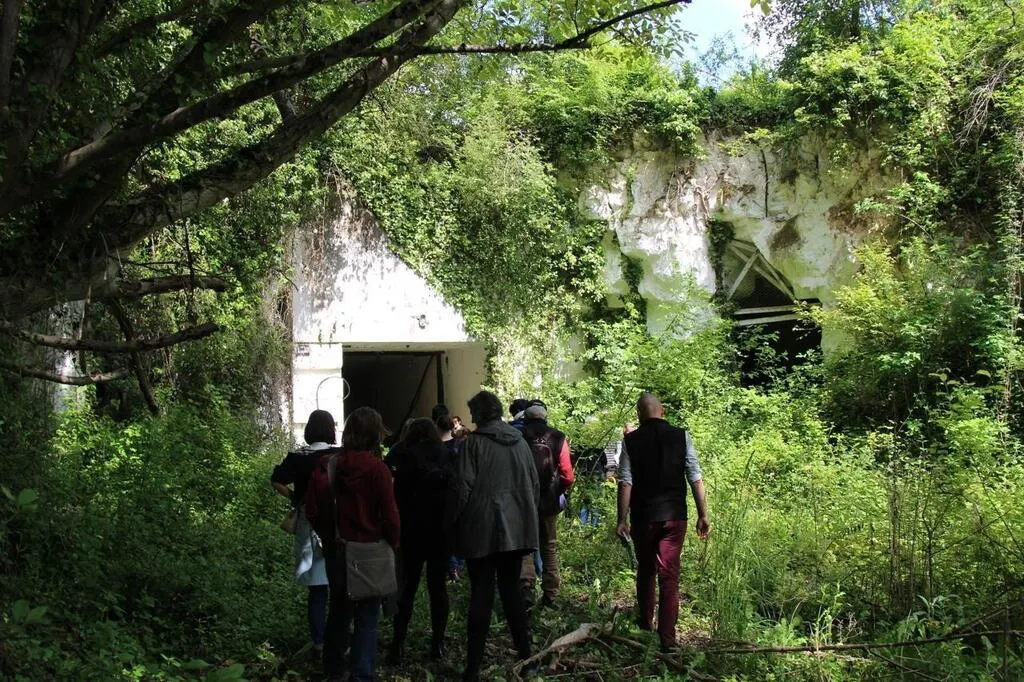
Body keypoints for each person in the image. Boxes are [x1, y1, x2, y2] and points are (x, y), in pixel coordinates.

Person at [447, 391, 539, 682]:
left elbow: (462, 489)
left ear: (478, 415)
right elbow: (534, 484)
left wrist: (451, 523)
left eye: (473, 415)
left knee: (481, 596)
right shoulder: (521, 443)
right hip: (516, 531)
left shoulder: (473, 445)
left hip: (481, 530)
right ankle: (527, 658)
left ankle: (472, 668)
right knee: (511, 593)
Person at [306, 407, 400, 682]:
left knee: (338, 611)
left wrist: (329, 534)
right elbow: (390, 515)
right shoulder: (378, 470)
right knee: (368, 616)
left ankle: (334, 671)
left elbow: (312, 510)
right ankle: (361, 675)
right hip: (370, 551)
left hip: (339, 550)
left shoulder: (328, 465)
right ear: (375, 436)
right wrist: (392, 542)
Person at [616, 393, 710, 652]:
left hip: (644, 518)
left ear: (639, 414)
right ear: (663, 410)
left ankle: (645, 625)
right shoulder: (682, 436)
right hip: (674, 517)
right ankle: (667, 640)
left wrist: (621, 519)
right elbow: (695, 477)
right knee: (669, 576)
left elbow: (625, 481)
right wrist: (703, 514)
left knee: (646, 570)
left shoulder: (631, 441)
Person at [385, 418, 453, 663]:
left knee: (406, 588)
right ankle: (438, 644)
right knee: (438, 589)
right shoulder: (445, 453)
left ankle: (397, 645)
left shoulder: (401, 453)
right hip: (438, 531)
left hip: (409, 530)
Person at [270, 409, 338, 655]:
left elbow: (276, 479)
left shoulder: (297, 456)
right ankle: (340, 640)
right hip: (337, 524)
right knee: (340, 584)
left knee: (317, 587)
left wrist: (295, 498)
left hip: (308, 523)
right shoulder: (338, 455)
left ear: (309, 429)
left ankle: (319, 641)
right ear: (331, 429)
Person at [519, 402, 575, 608]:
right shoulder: (558, 437)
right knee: (549, 546)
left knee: (526, 546)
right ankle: (551, 595)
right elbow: (568, 474)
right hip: (549, 500)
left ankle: (526, 588)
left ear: (527, 418)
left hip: (524, 500)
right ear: (545, 418)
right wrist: (560, 490)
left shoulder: (519, 437)